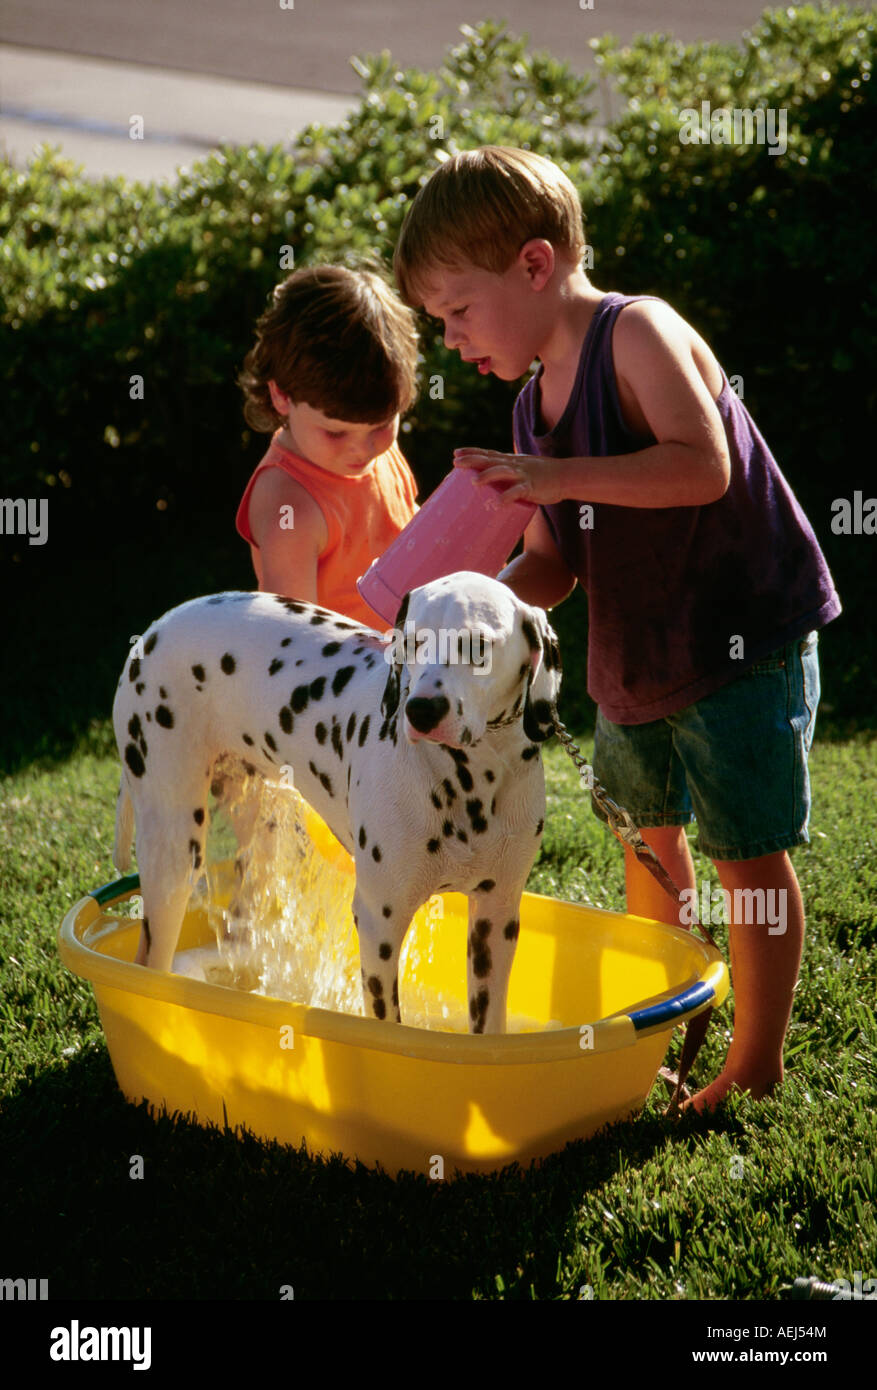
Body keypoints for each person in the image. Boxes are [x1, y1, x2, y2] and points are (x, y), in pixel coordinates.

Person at [393, 145, 841, 1113]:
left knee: (745, 851)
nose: (450, 335)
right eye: (437, 319)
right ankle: (663, 1010)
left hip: (735, 638)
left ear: (533, 263)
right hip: (635, 654)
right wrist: (478, 618)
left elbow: (701, 464)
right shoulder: (530, 406)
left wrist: (552, 479)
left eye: (457, 308)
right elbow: (552, 561)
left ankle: (755, 1063)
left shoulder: (636, 333)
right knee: (649, 842)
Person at [236, 263, 419, 628]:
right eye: (336, 433)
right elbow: (289, 642)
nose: (362, 450)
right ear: (281, 396)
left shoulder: (380, 455)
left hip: (402, 663)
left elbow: (407, 531)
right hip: (341, 680)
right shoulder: (290, 503)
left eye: (382, 425)